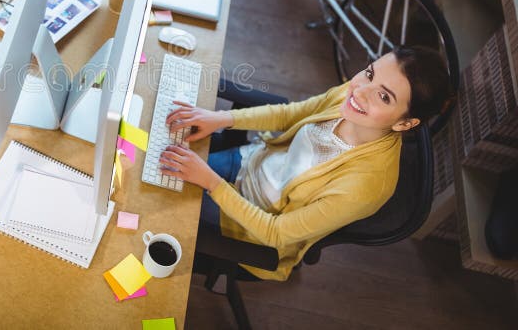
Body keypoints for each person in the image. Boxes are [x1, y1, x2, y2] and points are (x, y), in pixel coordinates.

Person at [160, 46, 451, 281]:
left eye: (384, 96)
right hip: (249, 163)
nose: (360, 90)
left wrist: (210, 182)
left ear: (405, 123)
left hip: (251, 226)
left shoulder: (366, 186)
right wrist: (221, 119)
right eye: (370, 72)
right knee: (157, 169)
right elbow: (291, 114)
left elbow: (275, 232)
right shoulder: (353, 94)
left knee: (156, 207)